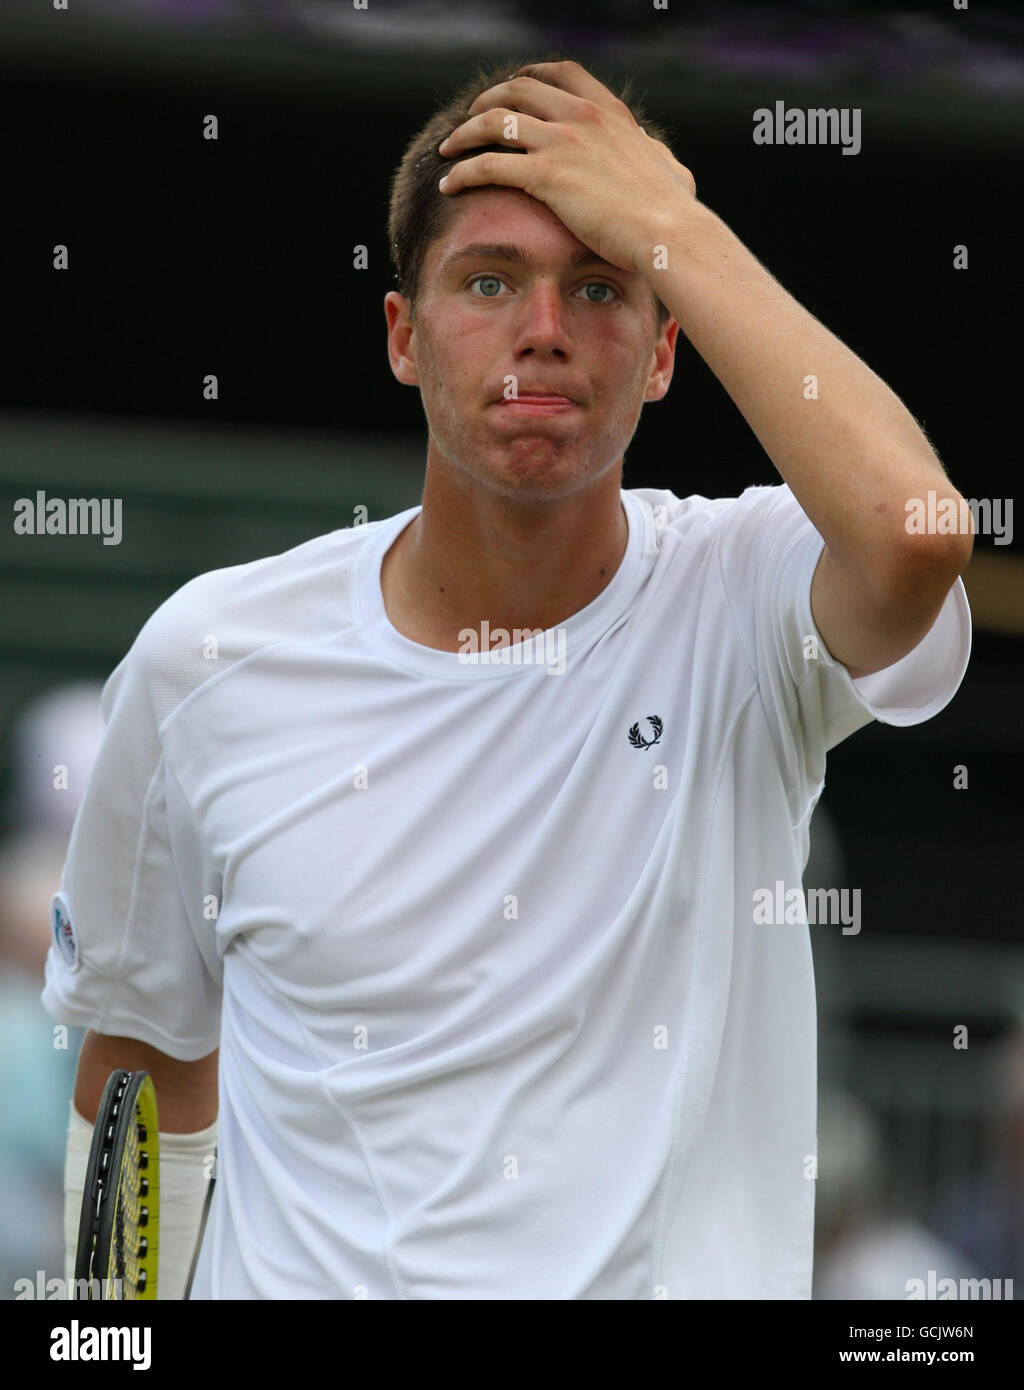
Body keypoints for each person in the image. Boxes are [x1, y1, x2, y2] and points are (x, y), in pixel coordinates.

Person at [44, 58, 973, 1300]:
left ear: (662, 355)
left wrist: (670, 224)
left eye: (600, 287)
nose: (543, 327)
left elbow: (914, 528)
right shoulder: (206, 657)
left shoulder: (742, 596)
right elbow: (138, 1065)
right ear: (403, 336)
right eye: (489, 281)